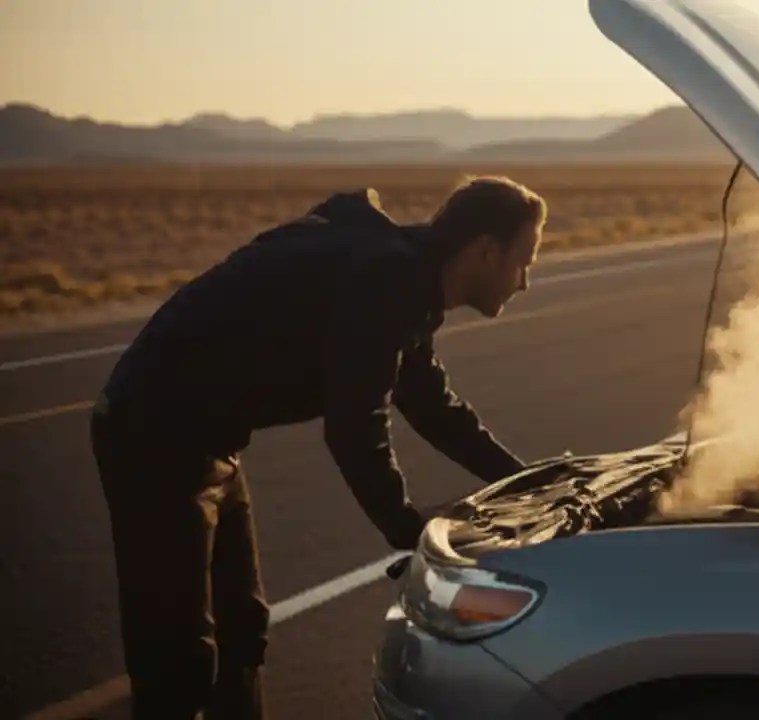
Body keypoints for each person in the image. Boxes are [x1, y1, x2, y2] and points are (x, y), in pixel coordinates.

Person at [89, 175, 545, 719]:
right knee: (178, 661)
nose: (525, 283)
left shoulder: (405, 281)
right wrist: (405, 527)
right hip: (152, 436)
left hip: (205, 439)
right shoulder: (387, 276)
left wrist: (527, 480)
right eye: (524, 262)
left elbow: (433, 407)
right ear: (486, 251)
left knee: (244, 630)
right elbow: (356, 427)